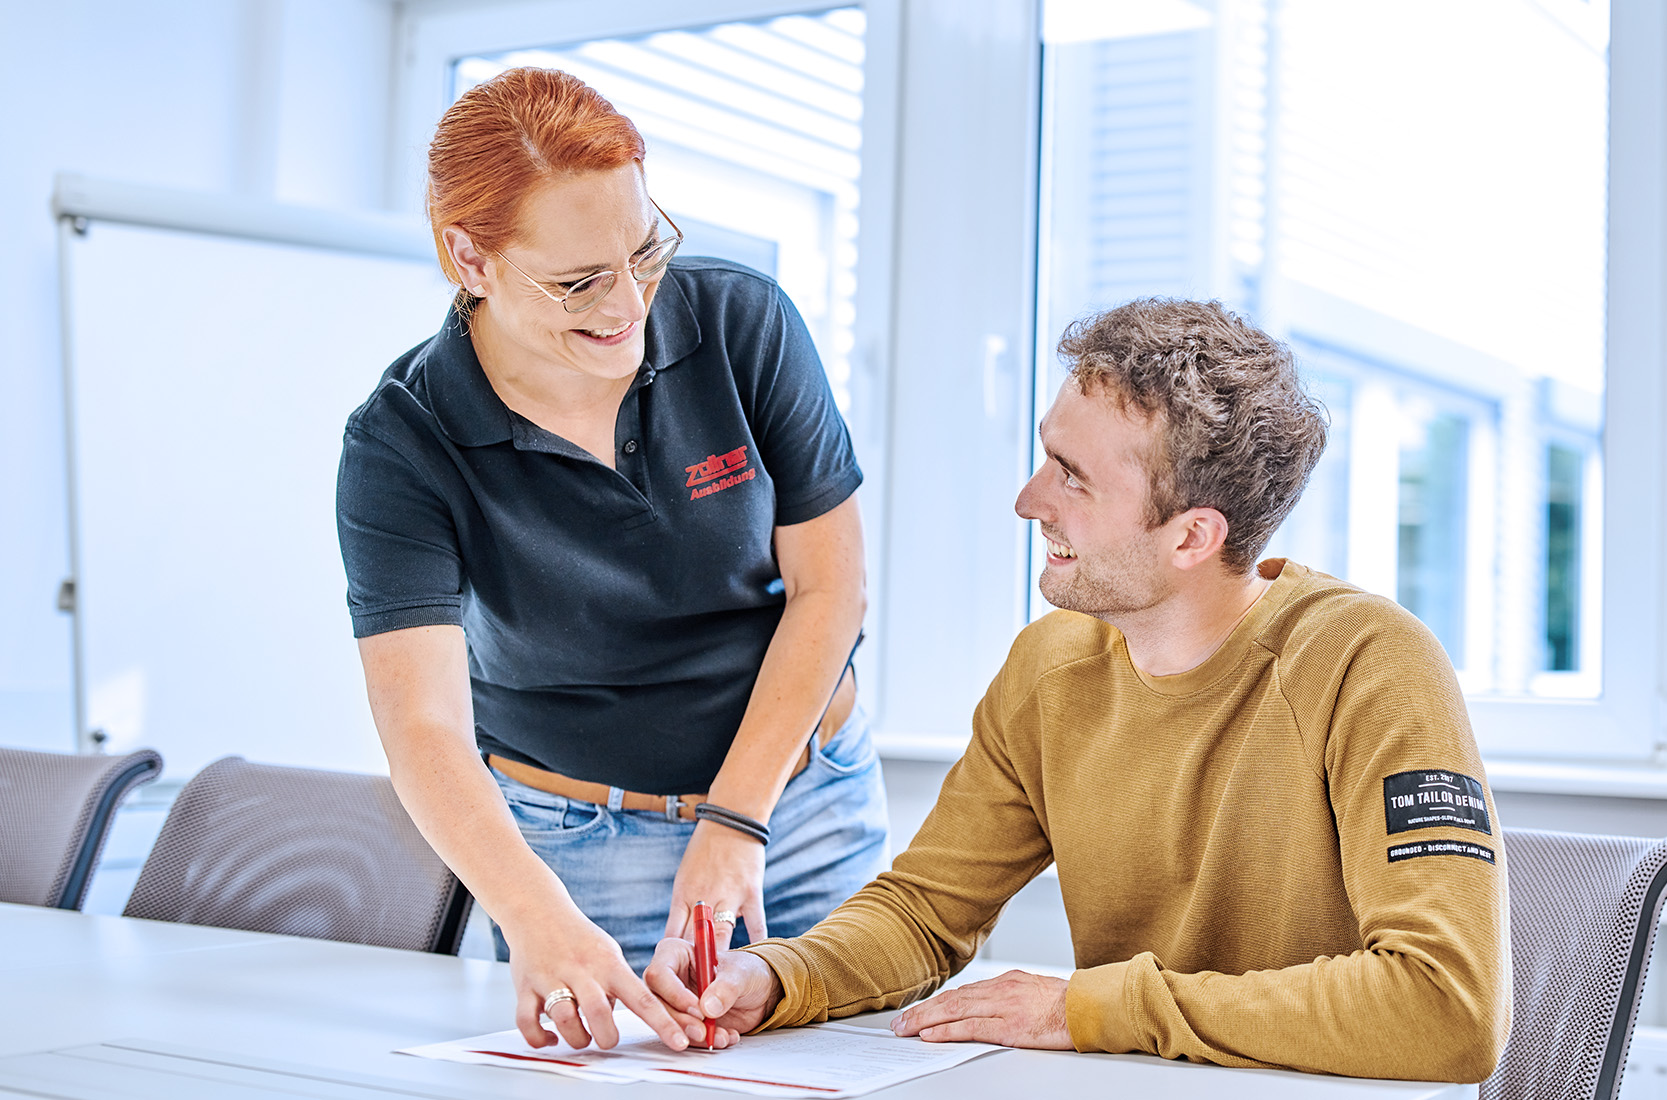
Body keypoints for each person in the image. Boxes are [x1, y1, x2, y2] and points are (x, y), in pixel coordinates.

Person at [641, 298, 1511, 1081]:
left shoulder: (1371, 665)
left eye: (1072, 476)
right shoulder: (1051, 668)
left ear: (1191, 537)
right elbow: (925, 912)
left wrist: (1086, 1009)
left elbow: (1446, 1008)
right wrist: (778, 976)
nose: (1028, 500)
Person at [335, 67, 888, 1054]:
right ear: (470, 258)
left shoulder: (739, 325)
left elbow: (830, 584)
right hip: (578, 845)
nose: (629, 303)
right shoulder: (401, 441)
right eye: (581, 279)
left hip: (801, 803)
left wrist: (736, 821)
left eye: (644, 252)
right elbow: (423, 723)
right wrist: (532, 914)